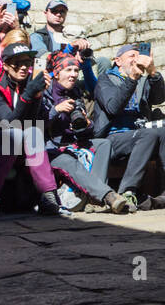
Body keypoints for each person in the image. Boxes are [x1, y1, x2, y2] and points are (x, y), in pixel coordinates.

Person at [0, 39, 72, 220]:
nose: (23, 68)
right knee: (14, 134)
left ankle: (48, 195)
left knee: (31, 133)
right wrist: (28, 95)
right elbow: (8, 122)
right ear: (5, 65)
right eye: (17, 63)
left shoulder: (30, 85)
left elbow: (36, 124)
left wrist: (37, 96)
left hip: (22, 142)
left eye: (27, 63)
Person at [93, 45, 165, 210]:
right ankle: (127, 192)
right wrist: (132, 79)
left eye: (138, 55)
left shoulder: (142, 80)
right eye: (130, 56)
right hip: (111, 139)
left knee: (163, 133)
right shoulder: (105, 80)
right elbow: (113, 108)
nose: (135, 59)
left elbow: (160, 97)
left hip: (139, 136)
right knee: (147, 135)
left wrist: (153, 72)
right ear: (118, 61)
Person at [27, 51, 130, 214]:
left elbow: (86, 132)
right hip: (49, 149)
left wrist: (86, 125)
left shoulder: (75, 92)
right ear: (57, 72)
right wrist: (56, 110)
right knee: (68, 161)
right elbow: (35, 125)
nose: (74, 74)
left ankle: (94, 200)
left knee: (103, 143)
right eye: (68, 70)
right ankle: (108, 196)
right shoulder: (44, 93)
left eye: (76, 70)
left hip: (71, 144)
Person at [29, 0, 97, 93]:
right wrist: (70, 49)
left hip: (73, 81)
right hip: (49, 83)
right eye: (54, 11)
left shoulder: (73, 35)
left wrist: (85, 63)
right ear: (46, 13)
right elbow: (44, 58)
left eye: (62, 12)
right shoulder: (37, 37)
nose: (58, 14)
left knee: (103, 62)